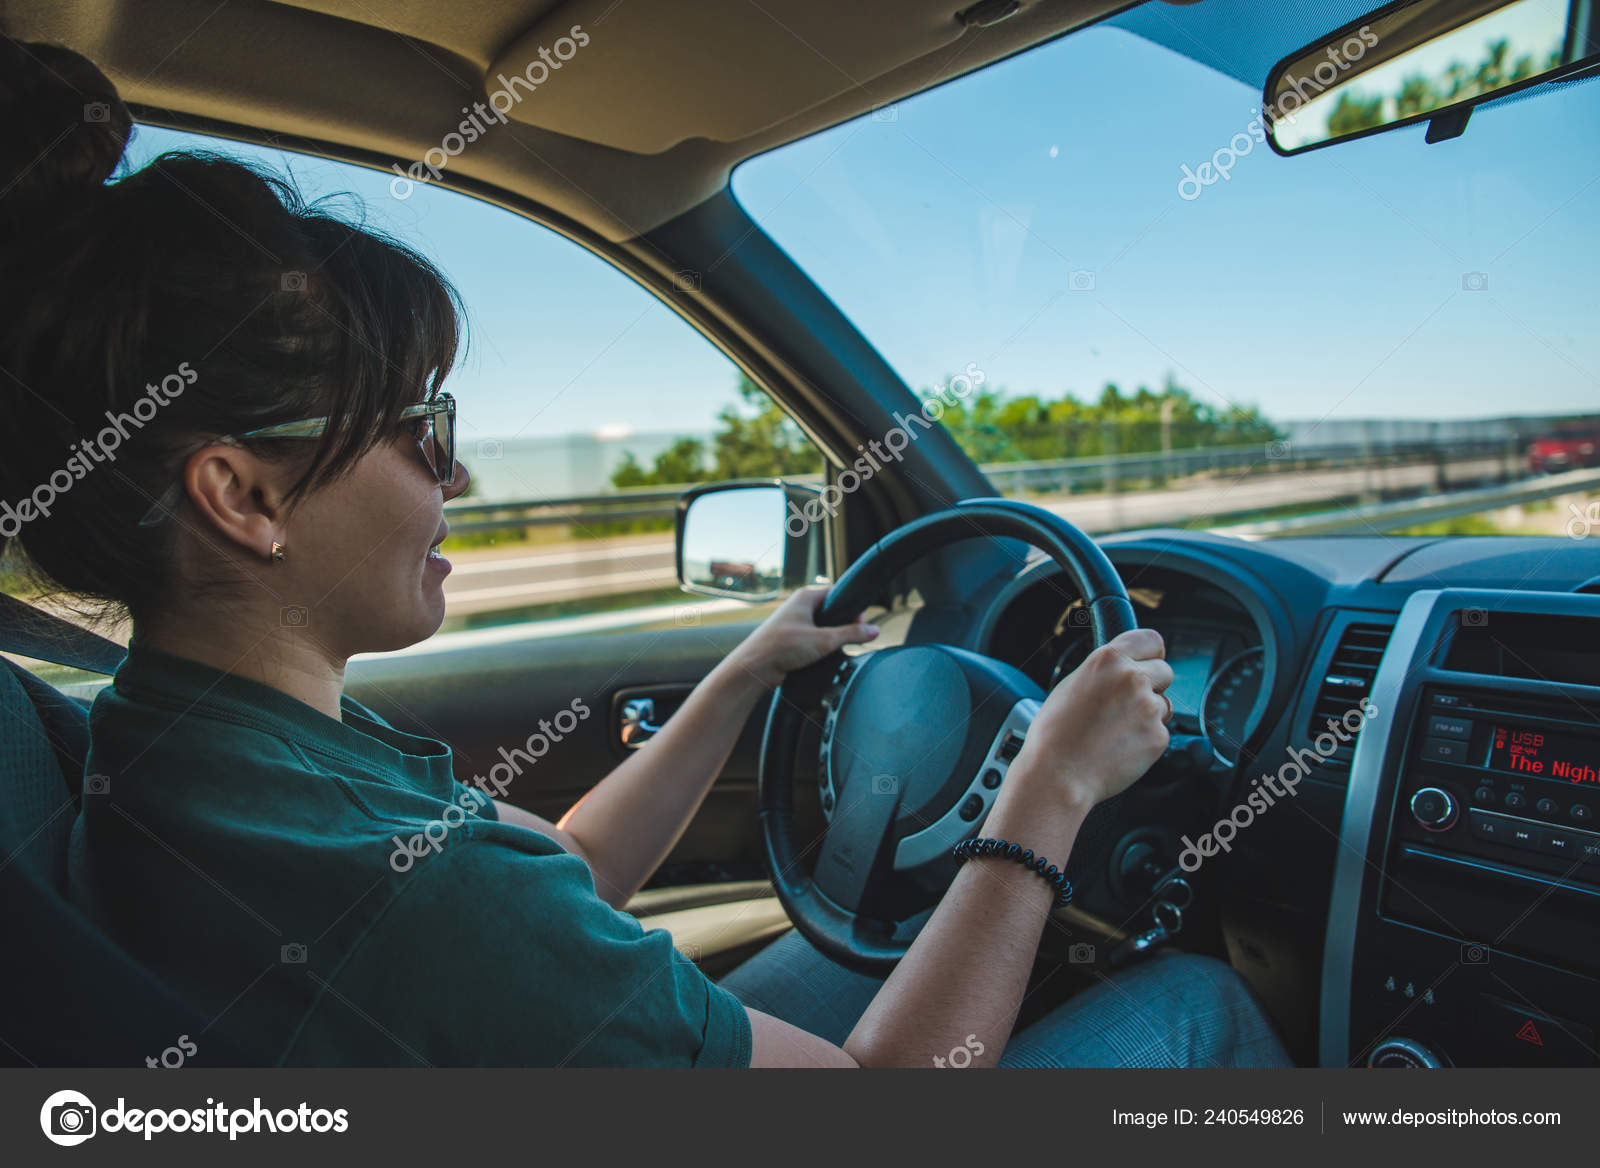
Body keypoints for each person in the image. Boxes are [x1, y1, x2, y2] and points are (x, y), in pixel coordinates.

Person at [0, 35, 1290, 1068]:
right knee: (1195, 1006)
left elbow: (557, 875)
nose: (456, 472)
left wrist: (741, 675)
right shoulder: (408, 895)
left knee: (866, 957)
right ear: (240, 493)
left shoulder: (185, 752)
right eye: (413, 427)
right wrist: (1048, 794)